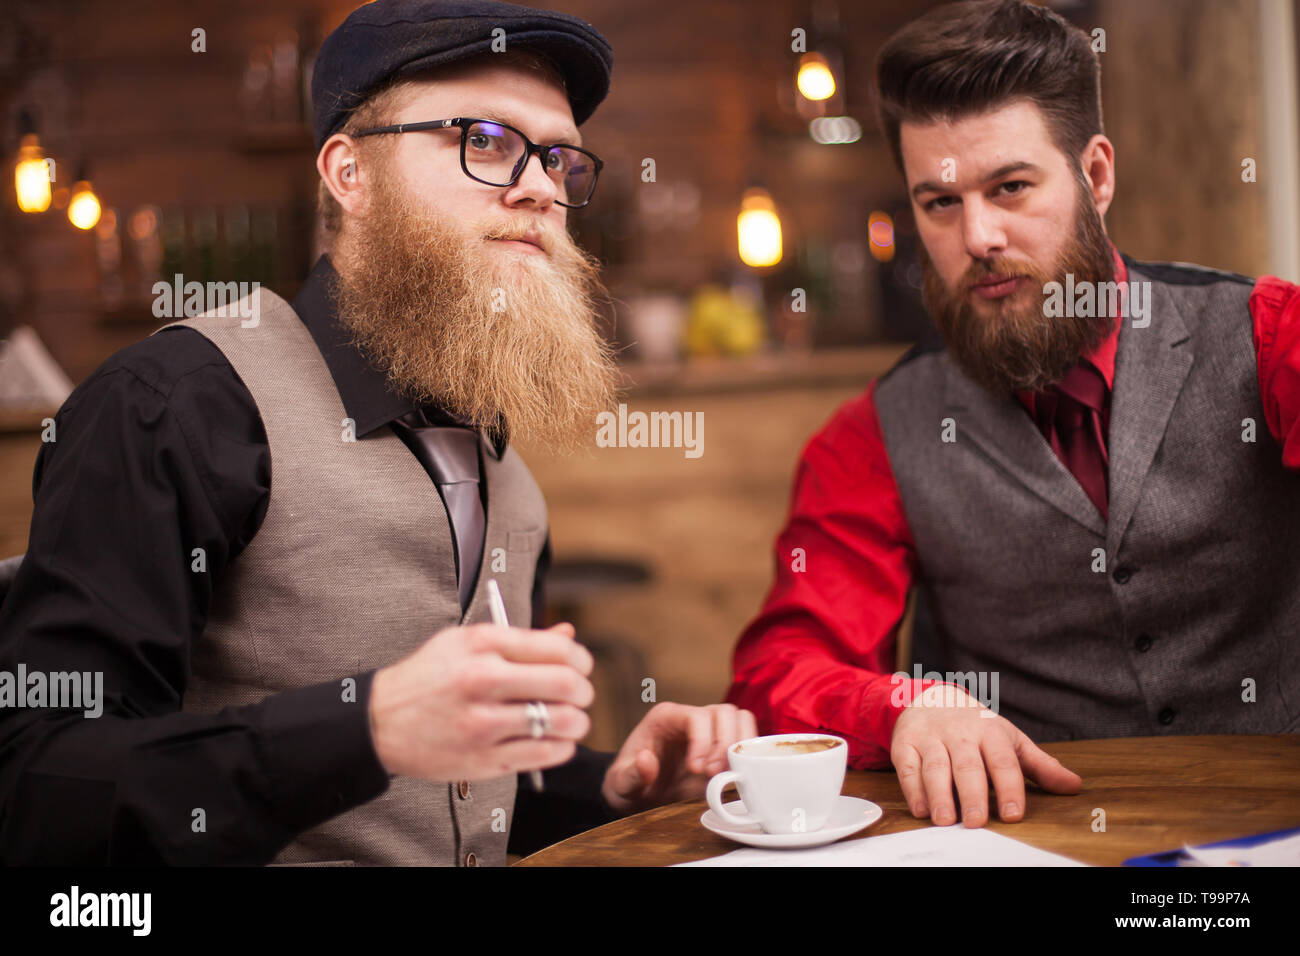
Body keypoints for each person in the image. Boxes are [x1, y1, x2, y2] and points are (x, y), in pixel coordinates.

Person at [0, 0, 756, 866]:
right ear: (348, 173)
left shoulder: (502, 463)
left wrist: (612, 787)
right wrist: (366, 727)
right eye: (484, 140)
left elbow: (466, 801)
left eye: (556, 157)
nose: (541, 187)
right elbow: (38, 791)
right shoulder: (174, 405)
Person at [727, 0, 1300, 832]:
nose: (980, 236)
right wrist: (900, 704)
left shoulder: (1266, 334)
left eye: (1011, 187)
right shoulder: (876, 433)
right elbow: (781, 667)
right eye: (940, 204)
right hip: (1030, 841)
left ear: (1096, 176)